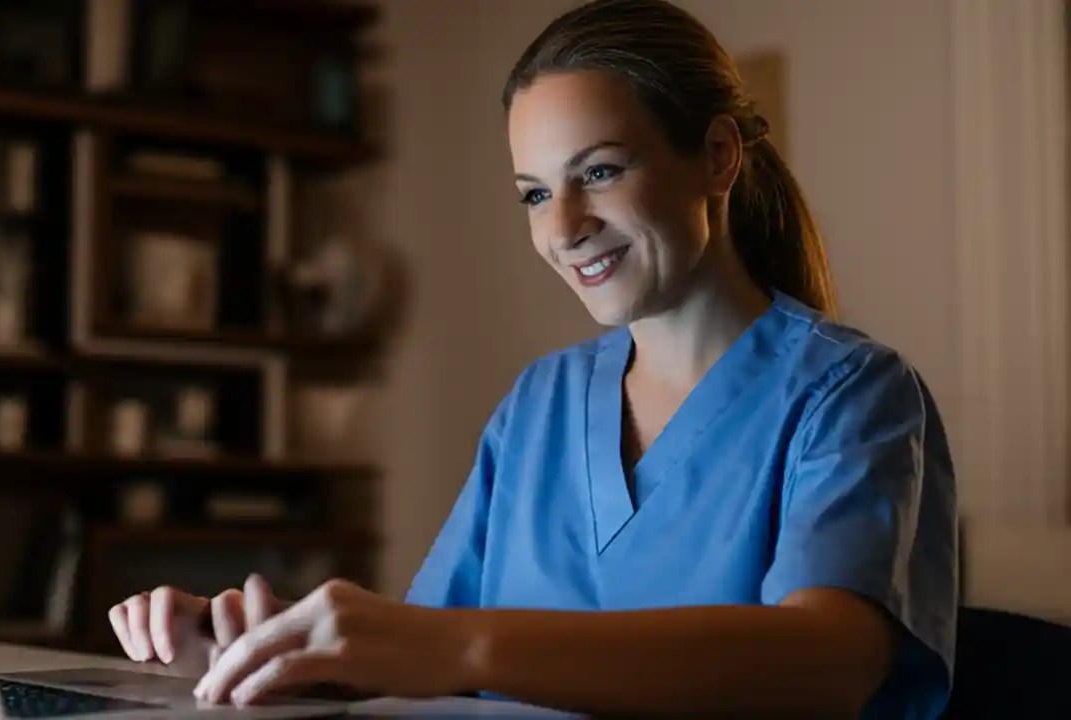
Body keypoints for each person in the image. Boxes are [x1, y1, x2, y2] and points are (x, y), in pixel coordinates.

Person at [106, 1, 957, 717]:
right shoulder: (540, 405)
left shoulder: (850, 394)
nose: (562, 228)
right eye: (537, 194)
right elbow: (420, 659)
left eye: (601, 171)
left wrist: (459, 646)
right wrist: (259, 649)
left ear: (718, 156)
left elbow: (827, 662)